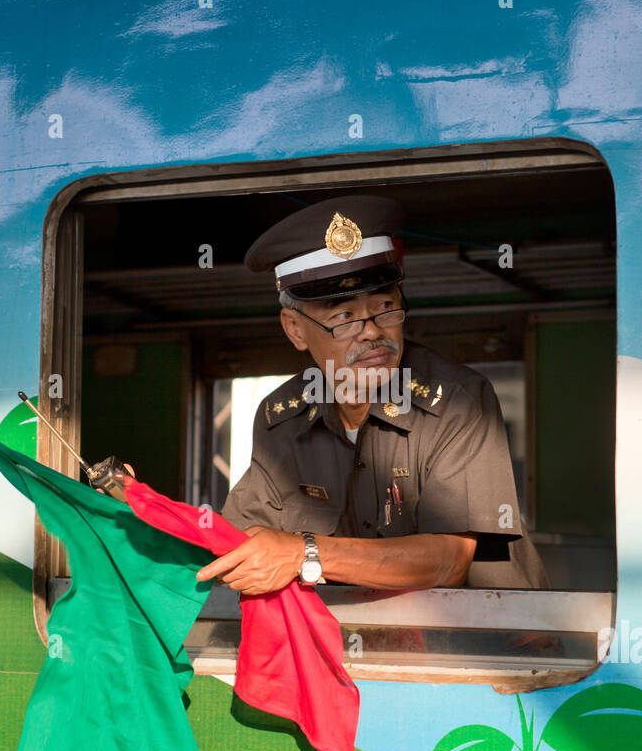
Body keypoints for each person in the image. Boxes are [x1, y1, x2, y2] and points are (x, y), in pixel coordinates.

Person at [199, 195, 549, 597]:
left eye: (385, 306)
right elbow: (236, 543)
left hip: (488, 646)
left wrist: (304, 552)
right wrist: (141, 511)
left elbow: (448, 560)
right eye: (344, 316)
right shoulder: (283, 417)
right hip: (361, 643)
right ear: (295, 329)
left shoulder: (457, 401)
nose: (371, 331)